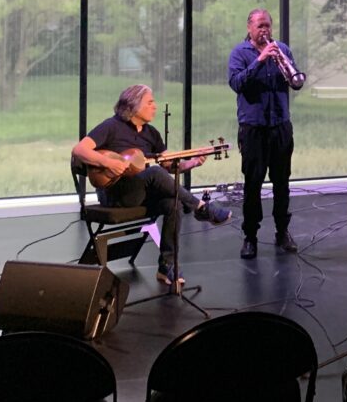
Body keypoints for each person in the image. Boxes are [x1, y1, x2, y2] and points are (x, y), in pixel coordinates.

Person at [72, 84, 231, 285]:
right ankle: (200, 207)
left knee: (173, 203)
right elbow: (79, 150)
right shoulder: (110, 127)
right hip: (116, 194)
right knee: (154, 172)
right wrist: (109, 162)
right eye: (150, 102)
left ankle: (167, 266)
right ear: (133, 105)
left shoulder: (152, 133)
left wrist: (191, 162)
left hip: (142, 193)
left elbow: (169, 166)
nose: (154, 106)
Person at [228, 8, 300, 260]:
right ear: (249, 27)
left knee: (282, 183)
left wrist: (286, 67)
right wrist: (259, 61)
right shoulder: (240, 53)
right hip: (253, 128)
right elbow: (236, 84)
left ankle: (282, 231)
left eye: (267, 25)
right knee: (253, 184)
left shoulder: (282, 49)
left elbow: (296, 79)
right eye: (259, 26)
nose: (264, 30)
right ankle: (250, 237)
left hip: (280, 125)